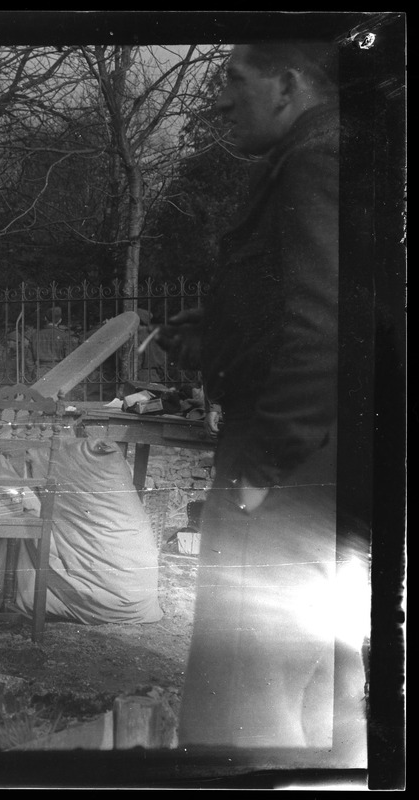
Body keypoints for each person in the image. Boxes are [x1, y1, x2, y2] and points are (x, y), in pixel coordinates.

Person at [157, 41, 363, 754]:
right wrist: (217, 326)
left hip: (286, 474)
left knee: (246, 706)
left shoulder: (315, 160)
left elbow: (328, 332)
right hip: (325, 468)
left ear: (284, 84)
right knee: (319, 700)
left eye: (232, 82)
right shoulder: (337, 151)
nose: (217, 101)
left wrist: (257, 474)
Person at [29, 306, 78, 377]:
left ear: (45, 318)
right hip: (58, 372)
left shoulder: (35, 336)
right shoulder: (64, 336)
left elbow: (29, 359)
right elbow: (69, 358)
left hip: (39, 371)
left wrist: (33, 372)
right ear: (60, 320)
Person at [135, 308, 169, 385]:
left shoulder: (137, 337)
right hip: (156, 377)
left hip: (141, 377)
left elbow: (137, 362)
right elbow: (164, 362)